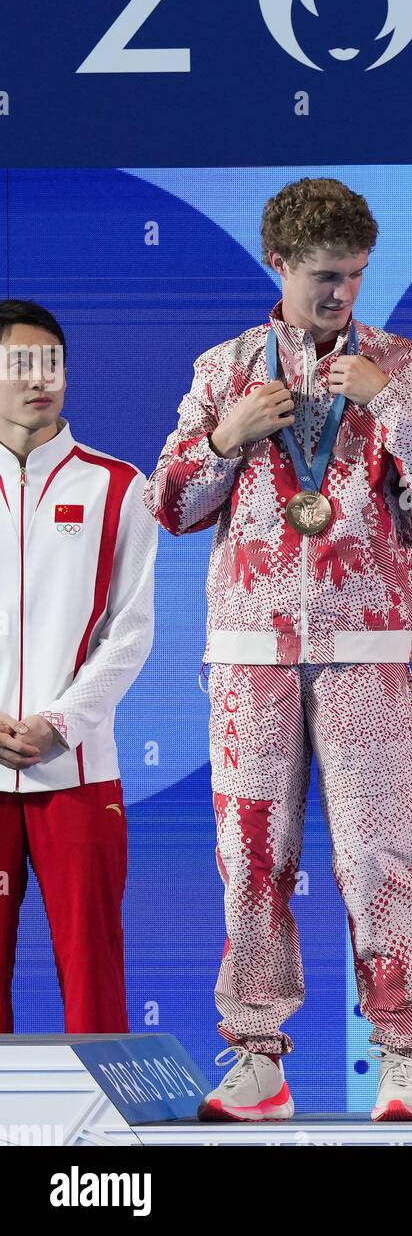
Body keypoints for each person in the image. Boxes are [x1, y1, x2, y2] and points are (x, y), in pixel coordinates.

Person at [145, 177, 412, 1123]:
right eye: (323, 277)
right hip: (249, 651)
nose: (340, 296)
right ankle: (257, 1057)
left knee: (377, 856)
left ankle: (402, 1057)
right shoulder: (224, 370)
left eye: (355, 277)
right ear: (277, 265)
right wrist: (225, 436)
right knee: (252, 854)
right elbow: (169, 506)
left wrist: (390, 412)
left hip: (368, 646)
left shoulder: (410, 367)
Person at [0, 299, 157, 1034]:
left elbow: (131, 631)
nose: (42, 381)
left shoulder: (118, 486)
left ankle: (105, 1130)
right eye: (20, 365)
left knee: (95, 969)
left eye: (52, 364)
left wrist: (62, 722)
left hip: (82, 770)